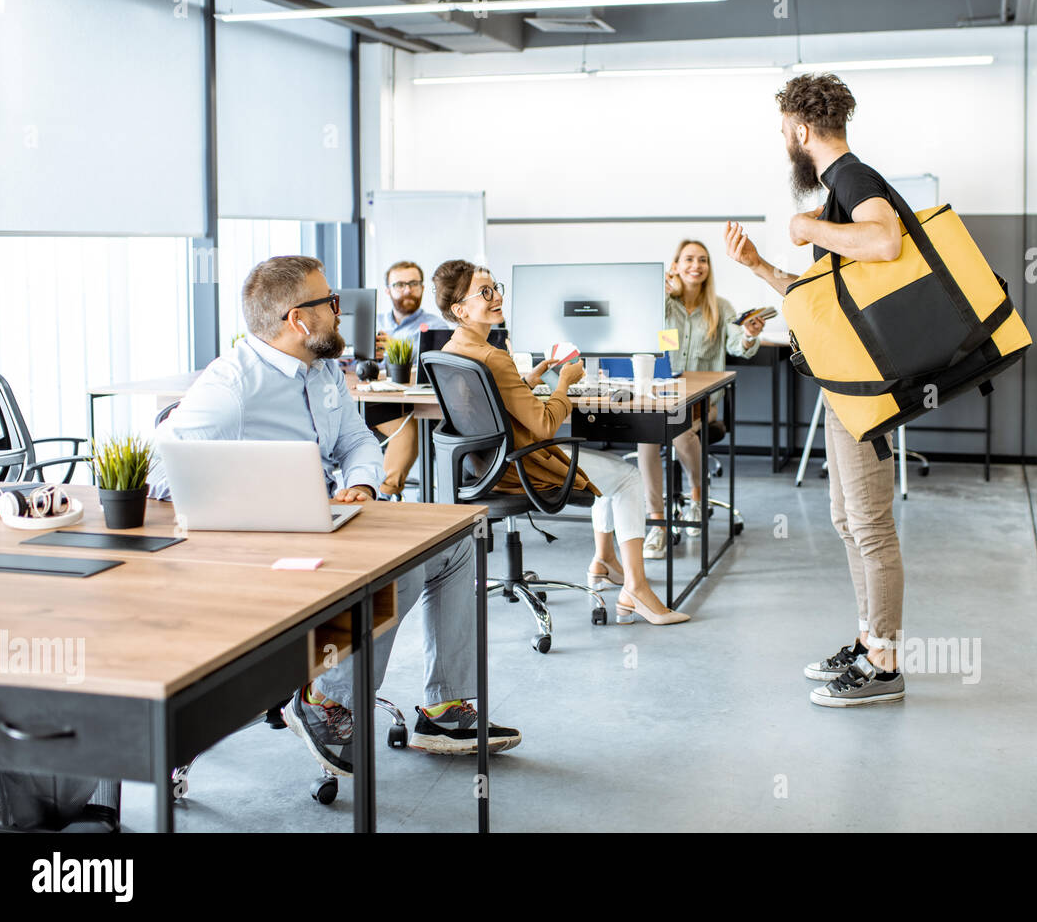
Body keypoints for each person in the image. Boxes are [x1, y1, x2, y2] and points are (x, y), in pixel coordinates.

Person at [149, 255, 521, 776]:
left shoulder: (322, 369)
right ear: (298, 319)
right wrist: (269, 495)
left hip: (332, 518)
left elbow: (355, 440)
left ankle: (442, 707)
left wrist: (362, 483)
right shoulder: (231, 386)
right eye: (332, 303)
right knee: (399, 566)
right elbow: (163, 475)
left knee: (456, 542)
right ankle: (327, 699)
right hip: (273, 535)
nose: (342, 313)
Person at [725, 73, 906, 706]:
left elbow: (886, 240)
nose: (784, 145)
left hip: (867, 390)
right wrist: (758, 268)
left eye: (783, 133)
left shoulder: (852, 179)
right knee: (846, 519)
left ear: (802, 131)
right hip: (844, 382)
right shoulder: (838, 193)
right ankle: (867, 642)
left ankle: (884, 666)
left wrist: (805, 226)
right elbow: (819, 304)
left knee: (871, 525)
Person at [434, 259, 688, 625]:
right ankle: (636, 588)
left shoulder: (453, 351)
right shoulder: (494, 356)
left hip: (486, 467)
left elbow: (490, 404)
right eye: (484, 292)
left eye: (496, 288)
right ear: (460, 309)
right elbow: (544, 425)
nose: (496, 297)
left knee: (610, 477)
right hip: (522, 467)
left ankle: (605, 562)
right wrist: (565, 382)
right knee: (628, 478)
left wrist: (531, 379)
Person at [635, 240, 765, 559]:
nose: (697, 265)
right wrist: (660, 292)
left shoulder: (720, 308)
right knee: (646, 440)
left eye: (703, 260)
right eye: (689, 259)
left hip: (701, 403)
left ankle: (697, 496)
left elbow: (738, 344)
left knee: (680, 432)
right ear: (676, 265)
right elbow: (637, 330)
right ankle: (658, 524)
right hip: (662, 397)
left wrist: (749, 334)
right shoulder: (662, 306)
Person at [368, 260, 448, 497]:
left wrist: (397, 352)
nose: (407, 290)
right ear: (388, 290)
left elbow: (437, 370)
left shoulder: (435, 326)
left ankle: (382, 496)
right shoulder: (374, 325)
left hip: (410, 409)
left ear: (422, 288)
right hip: (369, 402)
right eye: (400, 284)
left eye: (413, 283)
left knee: (407, 428)